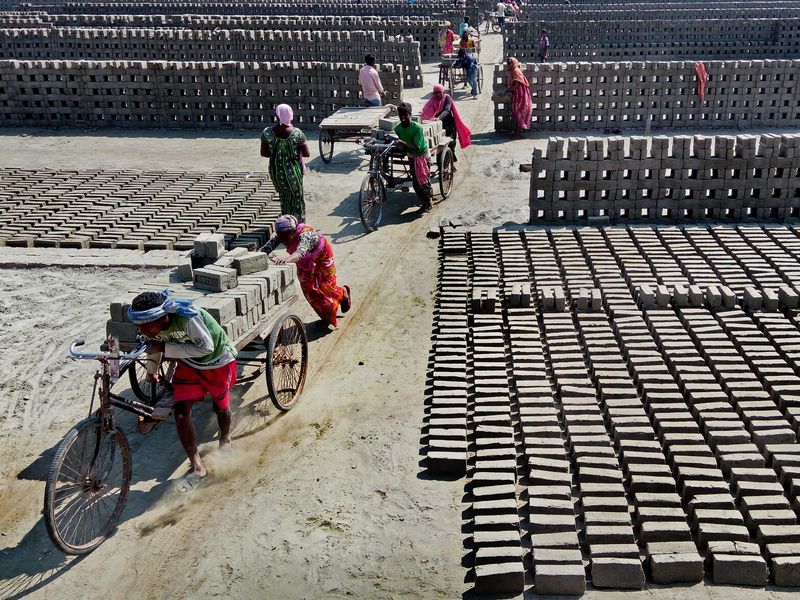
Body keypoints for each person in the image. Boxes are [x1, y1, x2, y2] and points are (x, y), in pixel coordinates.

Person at [128, 290, 238, 492]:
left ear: (163, 317)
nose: (142, 331)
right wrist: (151, 371)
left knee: (220, 407)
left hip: (216, 361)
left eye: (147, 326)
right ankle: (197, 468)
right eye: (139, 326)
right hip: (188, 365)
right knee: (180, 413)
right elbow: (153, 347)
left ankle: (225, 438)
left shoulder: (188, 319)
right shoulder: (151, 328)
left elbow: (206, 348)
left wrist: (164, 348)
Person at [259, 215, 351, 329]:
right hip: (305, 261)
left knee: (327, 286)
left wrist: (286, 260)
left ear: (292, 232)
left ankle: (342, 293)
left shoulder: (305, 234)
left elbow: (300, 253)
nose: (282, 240)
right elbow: (265, 249)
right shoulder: (281, 235)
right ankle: (326, 316)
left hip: (322, 255)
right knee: (310, 288)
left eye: (285, 236)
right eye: (280, 236)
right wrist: (254, 257)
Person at [261, 104, 310, 222]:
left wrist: (277, 152)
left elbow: (264, 153)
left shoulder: (267, 132)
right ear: (291, 115)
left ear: (276, 116)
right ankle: (298, 225)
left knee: (284, 198)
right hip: (293, 173)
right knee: (297, 199)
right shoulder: (297, 133)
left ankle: (286, 223)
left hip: (276, 173)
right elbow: (306, 153)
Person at [393, 102, 433, 212]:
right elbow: (395, 140)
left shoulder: (417, 128)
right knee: (416, 182)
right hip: (411, 156)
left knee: (424, 181)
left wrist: (402, 143)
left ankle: (429, 200)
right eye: (400, 115)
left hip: (422, 156)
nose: (403, 117)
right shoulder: (398, 129)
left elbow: (417, 147)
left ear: (410, 114)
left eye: (405, 115)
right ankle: (424, 202)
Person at [421, 83, 472, 169]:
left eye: (439, 92)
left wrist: (438, 118)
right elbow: (424, 109)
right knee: (439, 147)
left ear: (443, 92)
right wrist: (419, 115)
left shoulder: (447, 98)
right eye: (435, 93)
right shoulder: (432, 100)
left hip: (450, 125)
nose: (437, 94)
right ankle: (443, 166)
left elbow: (447, 110)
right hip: (439, 127)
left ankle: (450, 164)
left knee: (451, 145)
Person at [506, 57, 532, 136]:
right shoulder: (513, 70)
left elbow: (516, 85)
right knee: (517, 113)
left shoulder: (516, 71)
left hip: (521, 95)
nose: (508, 66)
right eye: (508, 64)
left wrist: (508, 90)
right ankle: (517, 131)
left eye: (510, 64)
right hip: (517, 94)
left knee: (519, 112)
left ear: (513, 63)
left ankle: (518, 133)